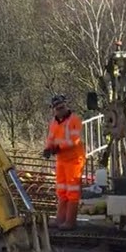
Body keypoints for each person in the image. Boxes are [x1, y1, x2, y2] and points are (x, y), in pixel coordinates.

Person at [43, 94, 85, 230]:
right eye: (57, 108)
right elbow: (50, 138)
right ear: (54, 109)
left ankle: (70, 221)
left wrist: (58, 148)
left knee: (72, 191)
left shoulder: (75, 120)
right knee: (61, 190)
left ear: (66, 106)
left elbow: (74, 141)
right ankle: (60, 219)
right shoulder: (54, 123)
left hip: (74, 160)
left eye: (62, 107)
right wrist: (48, 149)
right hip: (61, 159)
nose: (60, 110)